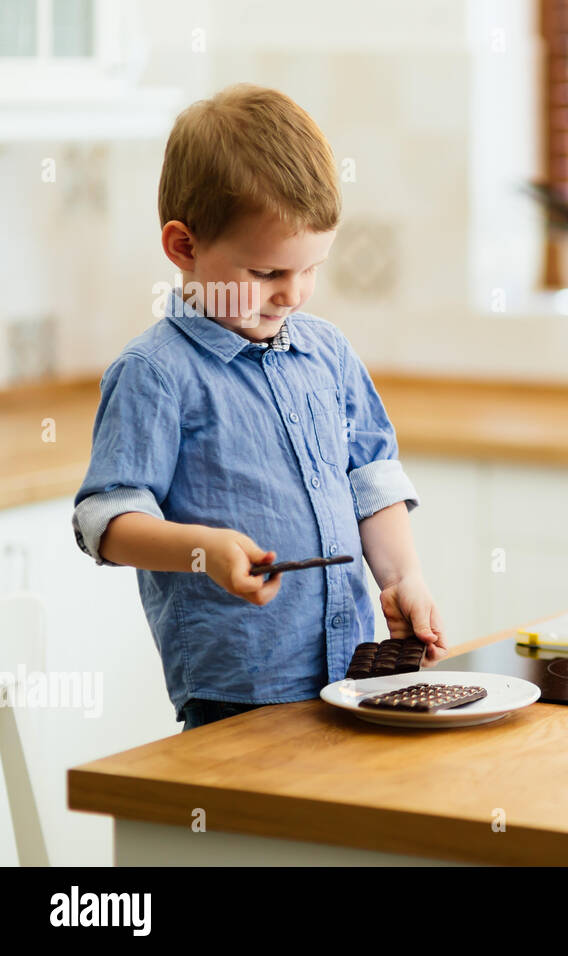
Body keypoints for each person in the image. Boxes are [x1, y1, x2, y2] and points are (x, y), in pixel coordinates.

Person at [72, 84, 446, 731]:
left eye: (310, 268)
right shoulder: (155, 373)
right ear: (183, 247)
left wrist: (403, 576)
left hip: (352, 671)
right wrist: (202, 551)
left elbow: (371, 478)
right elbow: (105, 521)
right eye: (267, 274)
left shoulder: (327, 352)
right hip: (237, 687)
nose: (292, 295)